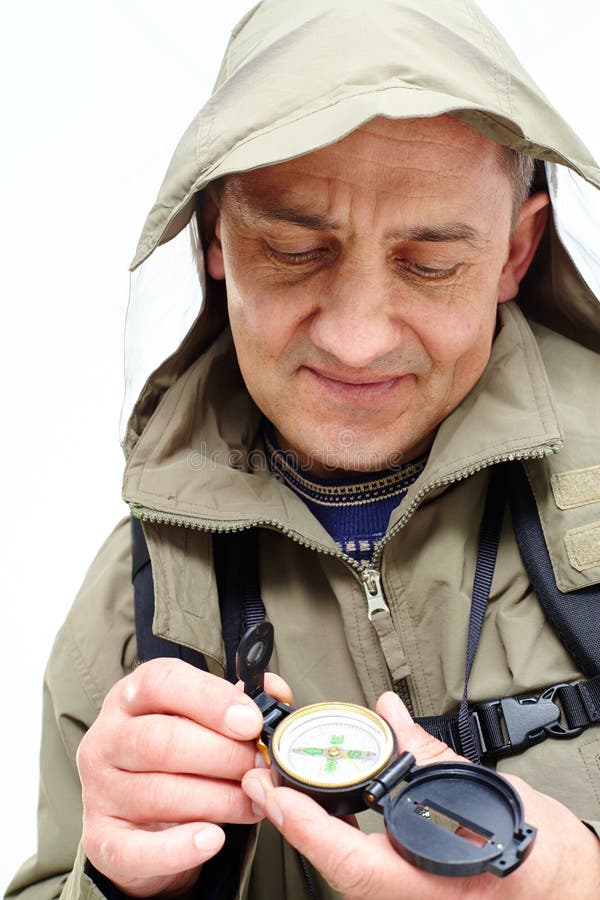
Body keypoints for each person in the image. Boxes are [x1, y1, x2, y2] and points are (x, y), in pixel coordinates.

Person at [6, 0, 600, 898]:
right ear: (215, 239)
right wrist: (122, 883)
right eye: (292, 250)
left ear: (518, 251)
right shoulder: (138, 614)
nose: (357, 339)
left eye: (430, 264)